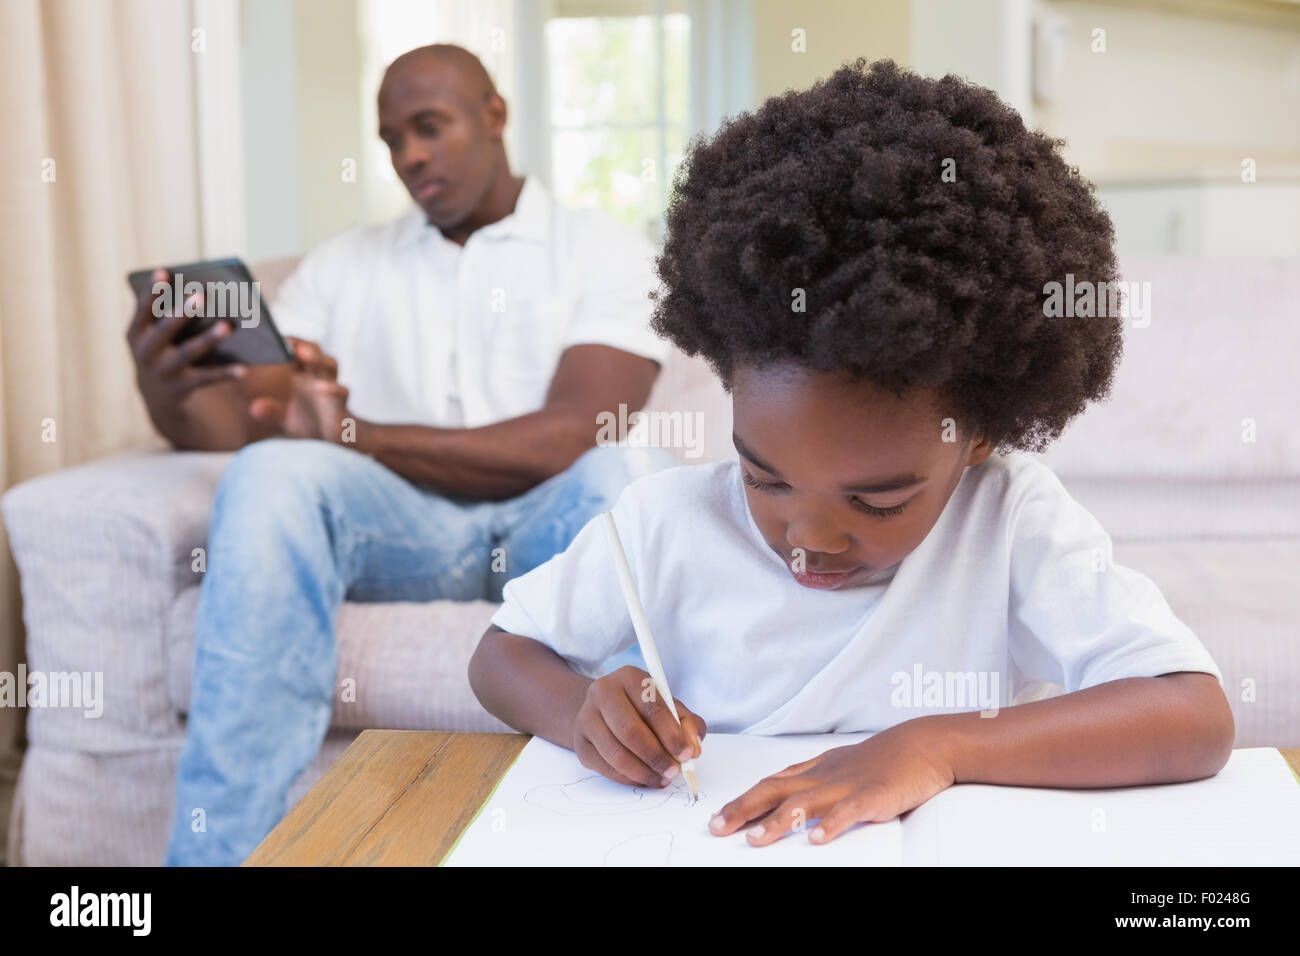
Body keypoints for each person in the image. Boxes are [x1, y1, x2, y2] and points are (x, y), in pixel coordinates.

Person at [468, 58, 1234, 850]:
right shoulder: (668, 522)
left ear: (979, 438)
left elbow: (1193, 716)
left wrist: (933, 746)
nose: (812, 537)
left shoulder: (1008, 520)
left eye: (877, 500)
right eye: (765, 478)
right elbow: (501, 656)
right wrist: (580, 710)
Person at [128, 44, 674, 866]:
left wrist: (360, 436)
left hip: (546, 521)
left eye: (429, 127)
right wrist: (168, 386)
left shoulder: (603, 249)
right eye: (392, 139)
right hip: (403, 530)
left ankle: (640, 826)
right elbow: (248, 421)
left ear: (494, 115)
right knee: (272, 472)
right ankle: (220, 859)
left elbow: (576, 432)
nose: (410, 155)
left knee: (604, 474)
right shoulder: (344, 266)